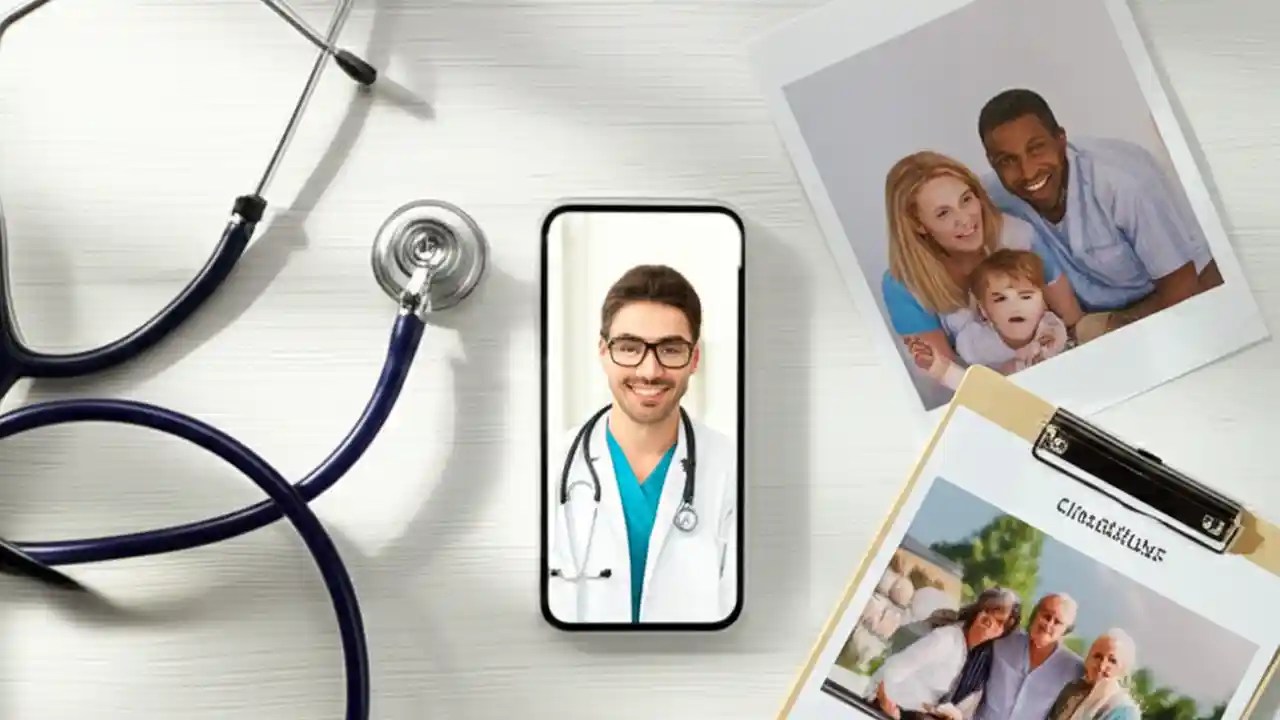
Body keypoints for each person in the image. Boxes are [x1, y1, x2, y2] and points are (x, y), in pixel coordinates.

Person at [545, 264, 737, 625]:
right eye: (630, 348)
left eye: (671, 349)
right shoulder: (548, 467)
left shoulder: (734, 472)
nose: (649, 370)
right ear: (603, 351)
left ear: (694, 358)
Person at [976, 88, 1223, 342]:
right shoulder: (986, 198)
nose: (1027, 172)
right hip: (1099, 320)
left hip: (1189, 290)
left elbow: (1182, 287)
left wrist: (1122, 334)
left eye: (1037, 148)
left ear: (1060, 139)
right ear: (992, 163)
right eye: (1007, 161)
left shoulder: (1123, 181)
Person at [879, 151, 1084, 393]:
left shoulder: (1018, 235)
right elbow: (943, 375)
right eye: (944, 213)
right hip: (977, 399)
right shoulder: (903, 284)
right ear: (918, 225)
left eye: (966, 200)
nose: (965, 219)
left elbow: (1072, 318)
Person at [912, 249, 1069, 389]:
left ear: (1043, 304)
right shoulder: (974, 342)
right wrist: (940, 368)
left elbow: (1049, 347)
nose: (1014, 306)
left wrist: (1029, 356)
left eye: (1026, 296)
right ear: (984, 311)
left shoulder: (1050, 327)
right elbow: (975, 389)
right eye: (1001, 299)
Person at [867, 587, 1023, 720]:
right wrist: (887, 707)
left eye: (1000, 623)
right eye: (989, 613)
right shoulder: (947, 639)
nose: (991, 624)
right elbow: (893, 670)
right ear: (979, 611)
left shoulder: (974, 661)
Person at [972, 593, 1085, 720]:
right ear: (1035, 614)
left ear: (1065, 630)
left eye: (1057, 622)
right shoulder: (1003, 638)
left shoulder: (1074, 667)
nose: (1048, 625)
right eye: (1046, 616)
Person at [1047, 629, 1141, 720]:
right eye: (1098, 656)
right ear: (1088, 659)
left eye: (1112, 661)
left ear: (1122, 670)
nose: (1102, 666)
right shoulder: (1071, 691)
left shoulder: (1123, 710)